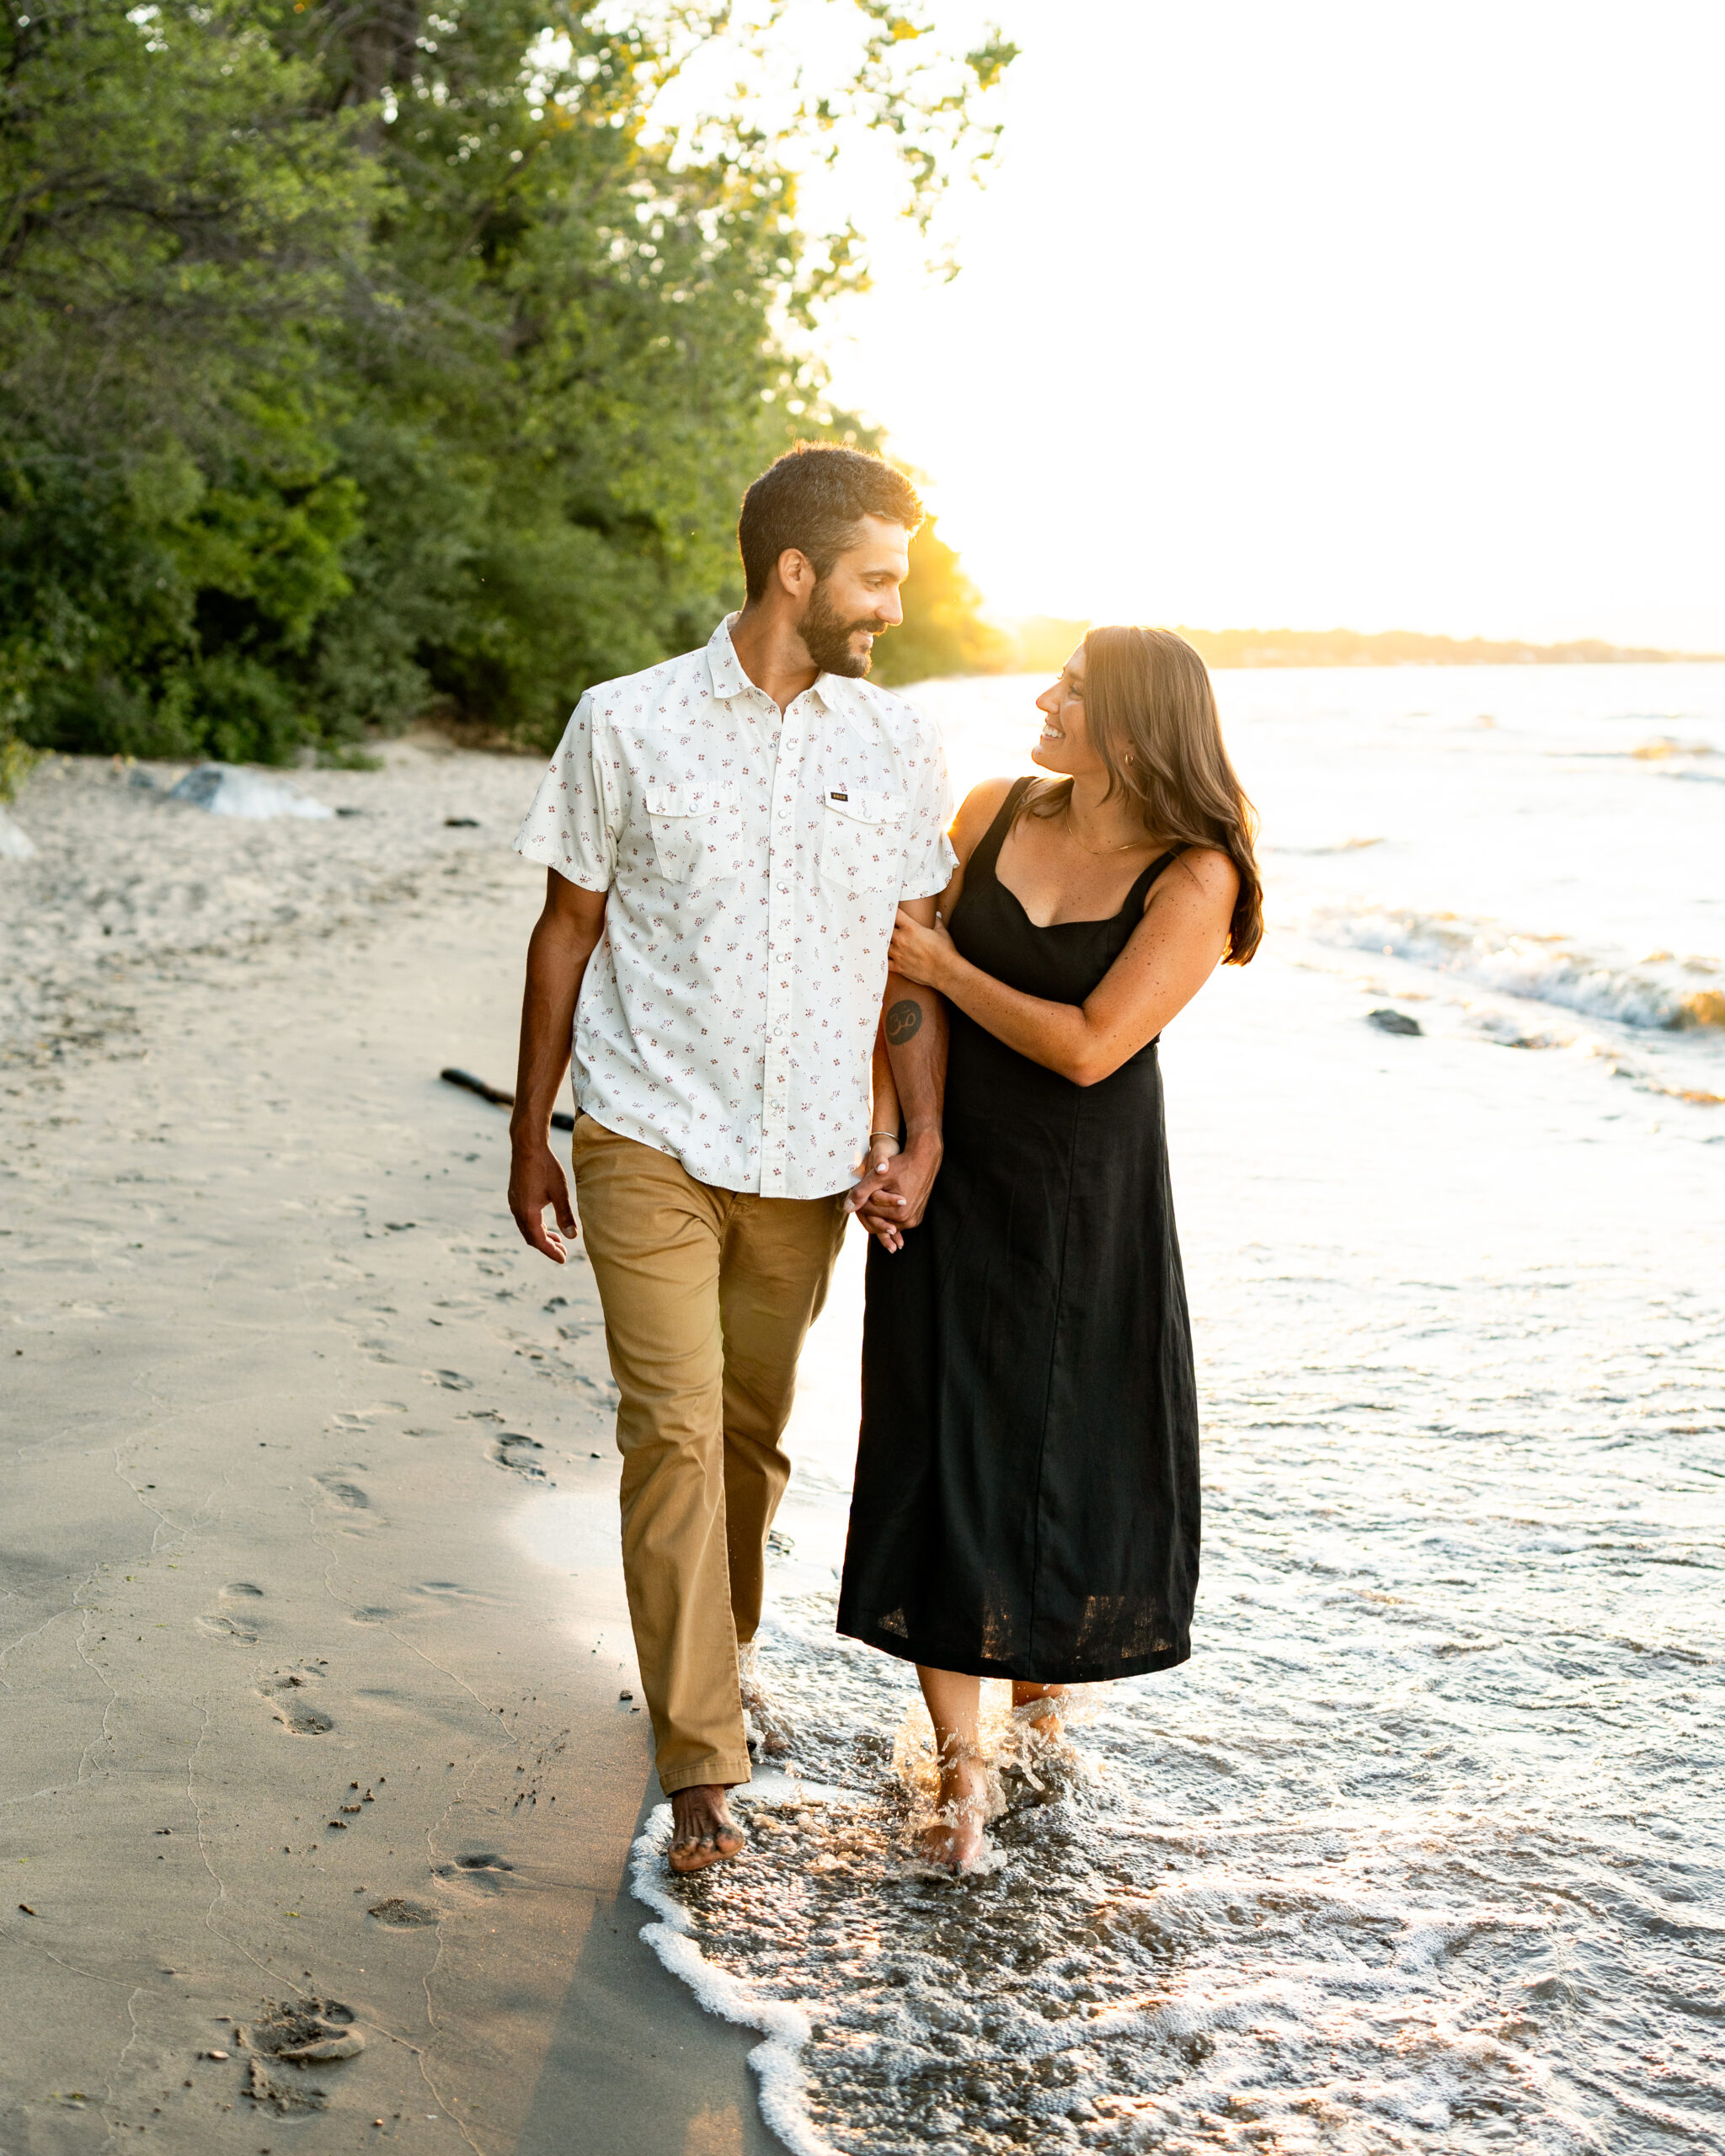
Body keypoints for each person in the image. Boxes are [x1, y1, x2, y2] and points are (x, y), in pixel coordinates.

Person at [507, 445, 954, 1874]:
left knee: (750, 1441)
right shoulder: (625, 724)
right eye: (878, 580)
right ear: (797, 573)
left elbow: (910, 969)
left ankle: (718, 1647)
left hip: (811, 1159)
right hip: (646, 1130)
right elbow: (567, 931)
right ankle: (702, 1754)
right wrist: (534, 1131)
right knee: (675, 1431)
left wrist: (915, 1135)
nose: (893, 608)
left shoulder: (895, 746)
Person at [836, 626, 1263, 1869]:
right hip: (954, 1172)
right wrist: (899, 1137)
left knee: (1060, 1452)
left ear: (1130, 728)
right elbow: (898, 987)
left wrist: (945, 967)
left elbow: (1089, 1045)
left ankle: (1043, 1717)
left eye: (1070, 691)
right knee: (944, 1446)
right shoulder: (991, 810)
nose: (1043, 698)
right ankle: (962, 1780)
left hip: (1088, 1201)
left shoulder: (1197, 877)